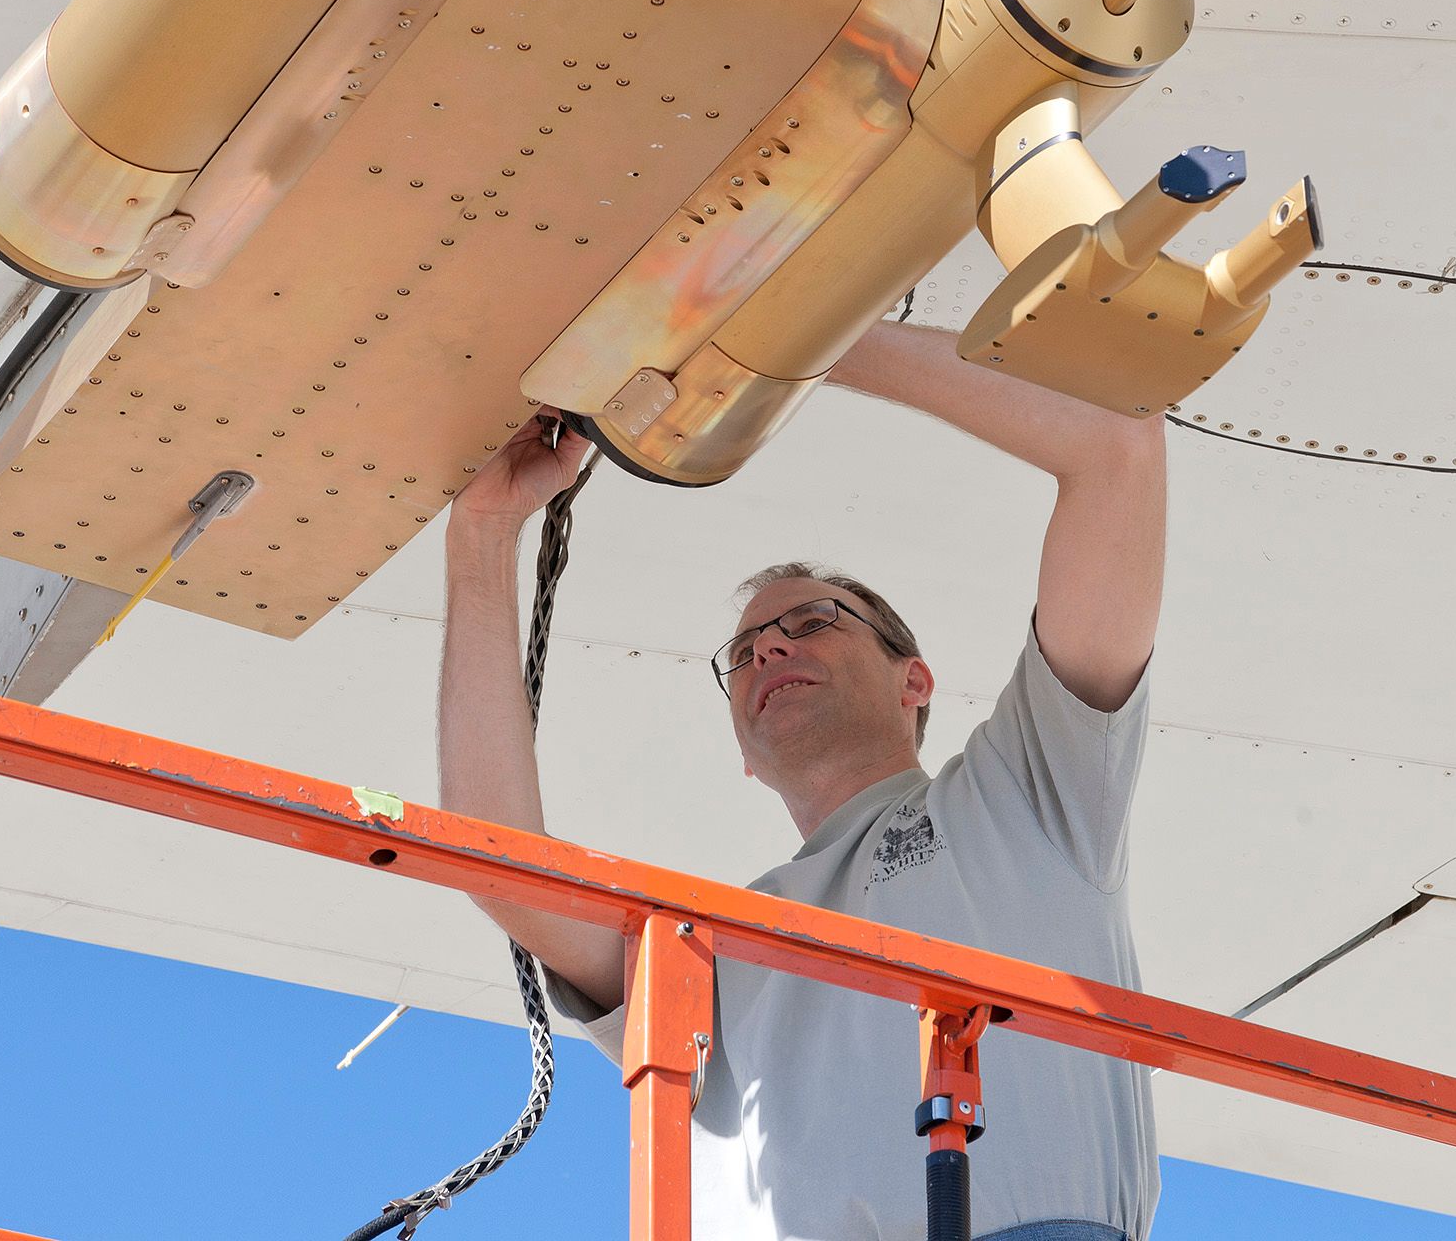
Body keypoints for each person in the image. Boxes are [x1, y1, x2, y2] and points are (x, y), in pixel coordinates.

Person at [436, 318, 1167, 1241]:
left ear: (916, 681)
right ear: (744, 751)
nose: (770, 646)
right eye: (742, 653)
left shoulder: (1027, 790)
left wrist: (792, 335)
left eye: (815, 621)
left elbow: (1117, 451)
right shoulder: (711, 945)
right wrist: (484, 530)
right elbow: (496, 862)